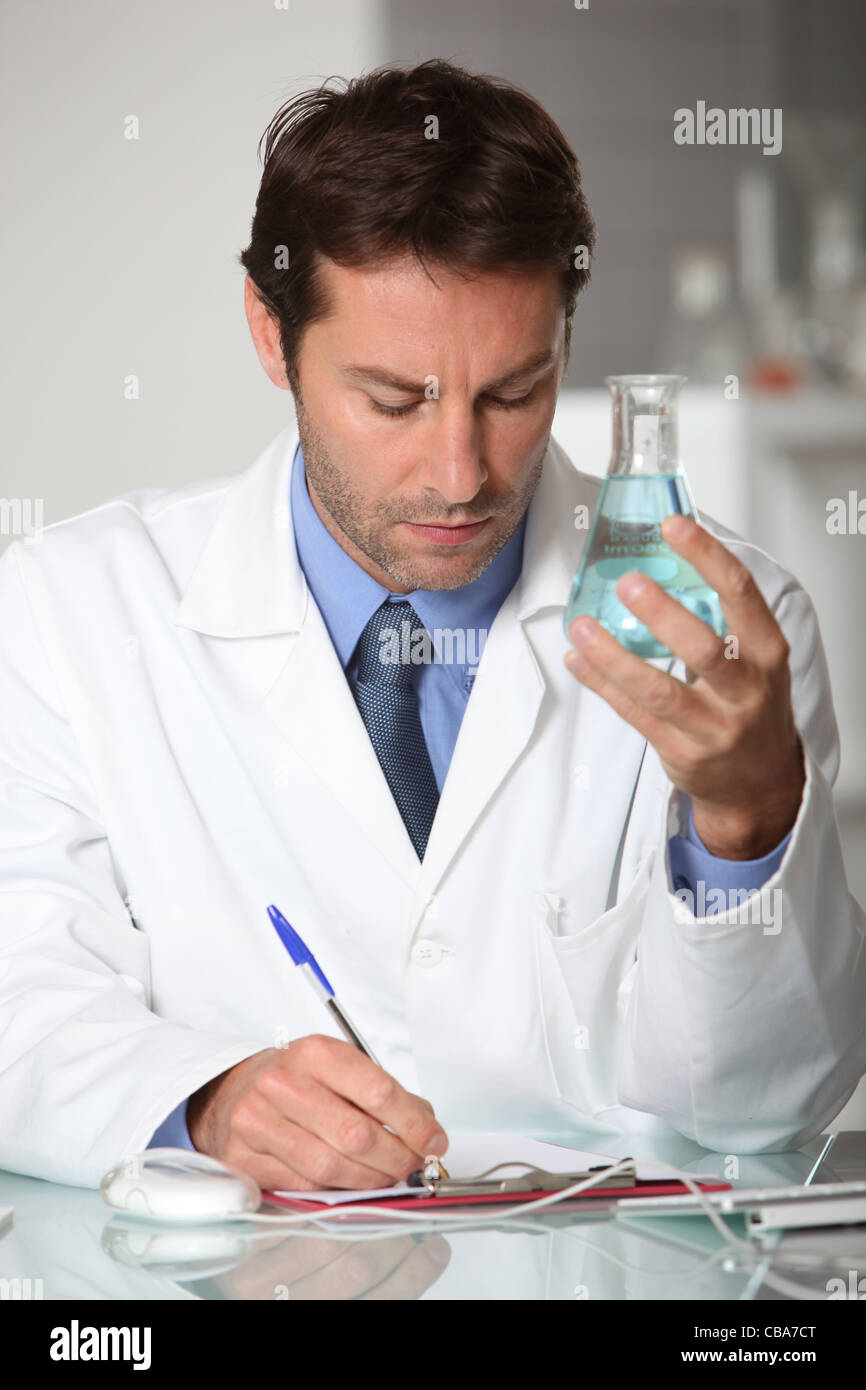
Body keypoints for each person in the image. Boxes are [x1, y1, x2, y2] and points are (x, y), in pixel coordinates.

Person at [1, 60, 863, 1192]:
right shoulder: (66, 610)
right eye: (393, 399)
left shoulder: (725, 635)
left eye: (513, 393)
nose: (460, 472)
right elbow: (19, 994)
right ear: (270, 332)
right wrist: (202, 1099)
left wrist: (748, 818)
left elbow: (767, 1113)